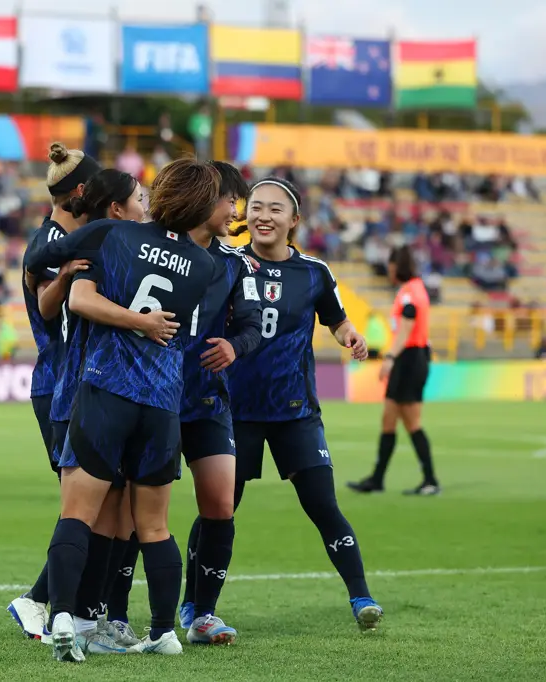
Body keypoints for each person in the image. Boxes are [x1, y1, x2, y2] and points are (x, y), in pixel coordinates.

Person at [26, 158, 222, 662]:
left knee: (79, 513)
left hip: (106, 390)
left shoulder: (113, 233)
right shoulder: (205, 265)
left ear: (158, 195)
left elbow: (46, 259)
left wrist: (59, 266)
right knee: (153, 526)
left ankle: (64, 617)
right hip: (162, 405)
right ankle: (162, 631)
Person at [227, 177, 384, 632]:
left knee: (324, 507)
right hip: (235, 412)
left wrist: (350, 336)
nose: (263, 216)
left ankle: (361, 597)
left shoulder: (315, 272)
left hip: (295, 411)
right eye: (255, 206)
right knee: (220, 511)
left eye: (275, 209)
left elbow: (338, 321)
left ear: (294, 221)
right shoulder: (228, 266)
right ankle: (197, 606)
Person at [8, 142, 101, 640]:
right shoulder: (49, 245)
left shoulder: (72, 235)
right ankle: (38, 601)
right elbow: (48, 308)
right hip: (60, 384)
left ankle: (67, 604)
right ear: (81, 191)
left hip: (77, 381)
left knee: (92, 502)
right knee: (80, 505)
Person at [175, 161, 260, 646]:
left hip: (207, 398)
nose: (236, 210)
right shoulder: (159, 248)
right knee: (133, 510)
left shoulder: (234, 263)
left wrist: (234, 347)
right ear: (207, 197)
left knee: (220, 505)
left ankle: (203, 613)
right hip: (156, 395)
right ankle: (105, 611)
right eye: (231, 200)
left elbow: (249, 325)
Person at [348, 246, 439, 496]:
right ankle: (377, 479)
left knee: (412, 422)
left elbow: (406, 331)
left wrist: (389, 357)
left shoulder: (411, 293)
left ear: (397, 266)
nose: (388, 272)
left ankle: (430, 481)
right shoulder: (412, 290)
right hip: (408, 359)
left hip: (409, 360)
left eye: (390, 267)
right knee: (388, 419)